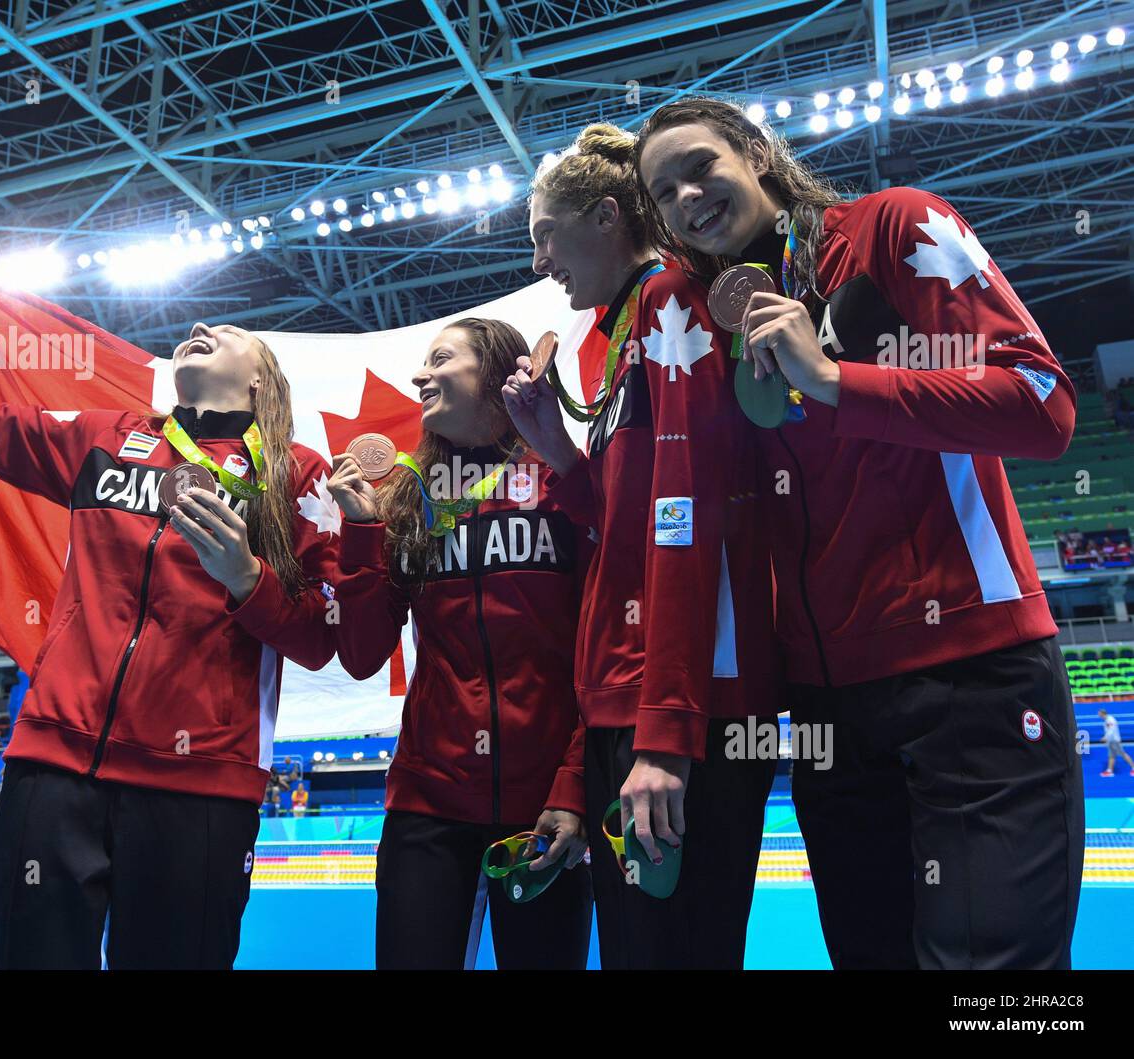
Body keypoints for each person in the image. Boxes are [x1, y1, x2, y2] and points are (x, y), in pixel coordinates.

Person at [633, 96, 1083, 969]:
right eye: (664, 192)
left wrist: (838, 378)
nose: (688, 196)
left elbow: (1042, 403)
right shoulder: (701, 317)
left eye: (702, 167)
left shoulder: (895, 230)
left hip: (970, 674)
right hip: (828, 715)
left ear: (757, 154)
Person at [0, 245, 340, 970]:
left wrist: (247, 578)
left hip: (199, 787)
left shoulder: (295, 479)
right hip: (55, 766)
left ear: (260, 379)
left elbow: (323, 638)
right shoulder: (105, 439)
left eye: (225, 333)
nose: (198, 324)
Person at [505, 127, 781, 970]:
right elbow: (625, 529)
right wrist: (560, 452)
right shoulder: (620, 334)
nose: (542, 262)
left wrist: (664, 733)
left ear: (605, 216)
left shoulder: (668, 306)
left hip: (687, 708)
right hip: (636, 702)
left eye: (547, 236)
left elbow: (685, 516)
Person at [327, 317, 593, 970]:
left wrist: (576, 784)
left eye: (440, 358)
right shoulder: (406, 500)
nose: (420, 374)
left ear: (499, 373)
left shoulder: (562, 480)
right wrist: (361, 534)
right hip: (428, 802)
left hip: (547, 808)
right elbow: (361, 654)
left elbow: (609, 648)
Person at [1098, 709, 1134, 777]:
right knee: (1111, 756)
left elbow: (1111, 730)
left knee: (1123, 754)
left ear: (1102, 713)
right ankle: (1109, 770)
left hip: (1114, 741)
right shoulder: (1107, 720)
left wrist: (1105, 737)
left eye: (1099, 714)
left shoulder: (1110, 720)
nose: (1099, 715)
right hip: (1111, 741)